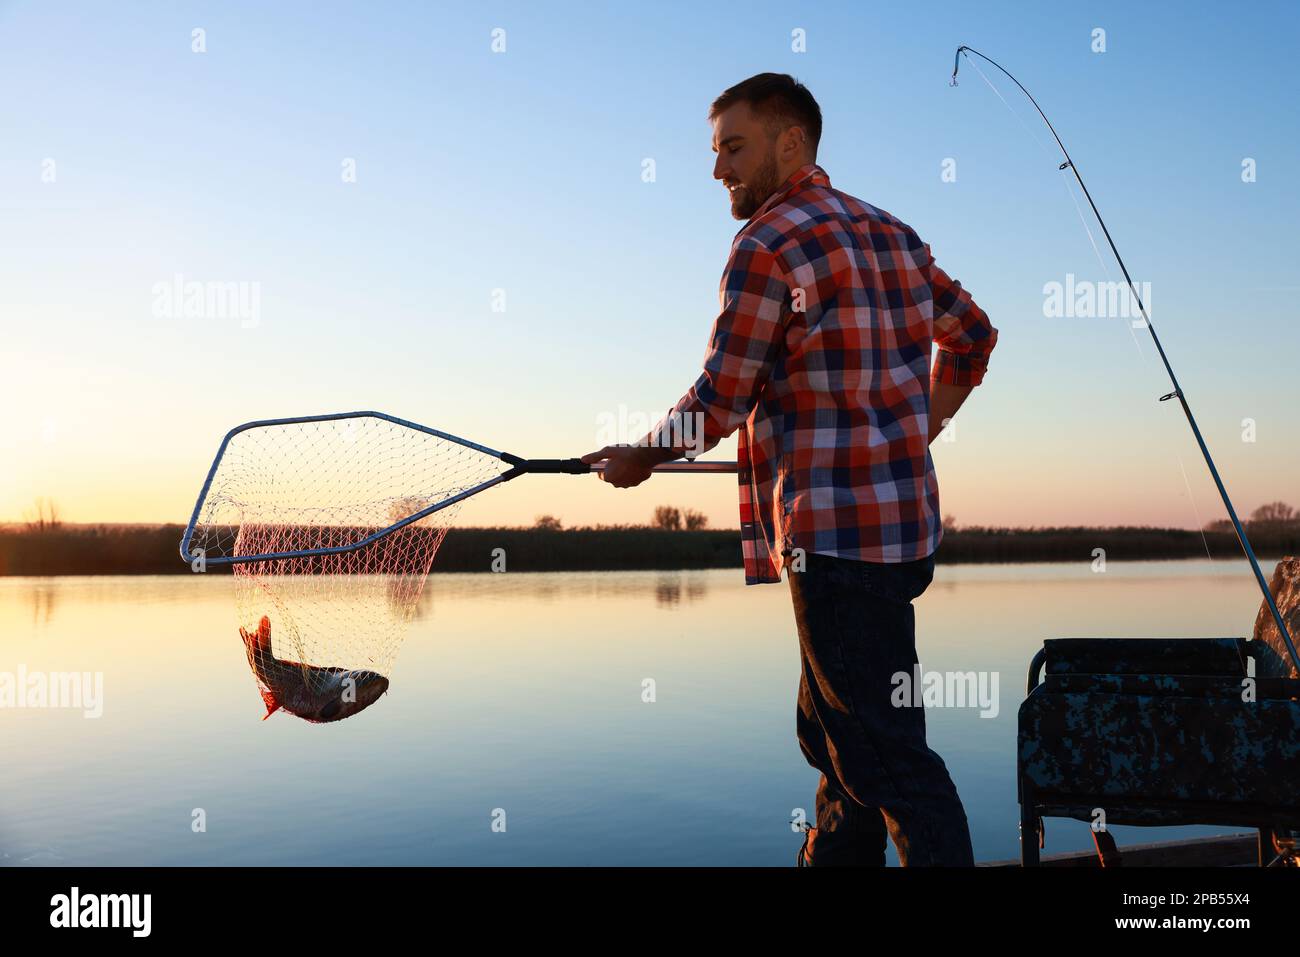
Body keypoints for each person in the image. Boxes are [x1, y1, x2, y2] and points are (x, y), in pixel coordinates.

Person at [582, 72, 997, 866]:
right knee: (834, 736)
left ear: (790, 141)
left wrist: (642, 453)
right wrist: (926, 423)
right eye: (715, 152)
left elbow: (722, 395)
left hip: (834, 544)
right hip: (903, 537)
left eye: (732, 148)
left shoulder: (767, 243)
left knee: (886, 758)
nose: (718, 170)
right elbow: (973, 335)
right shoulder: (894, 236)